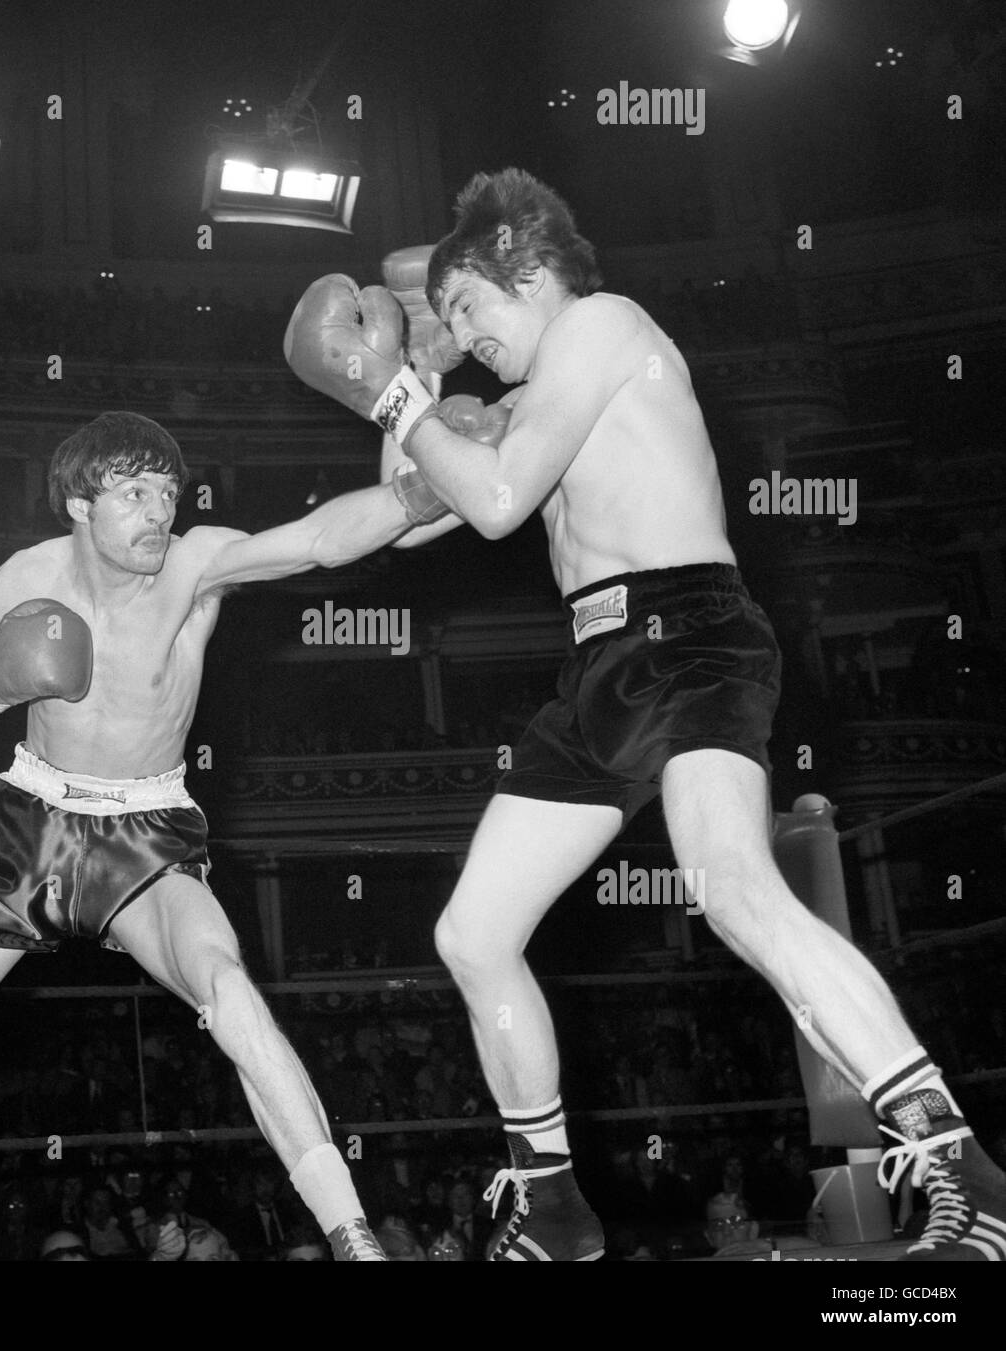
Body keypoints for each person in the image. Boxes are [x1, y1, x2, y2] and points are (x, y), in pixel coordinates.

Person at [284, 167, 1006, 1262]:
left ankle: (964, 1168)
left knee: (732, 891)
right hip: (600, 668)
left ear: (523, 270)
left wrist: (394, 390)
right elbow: (409, 514)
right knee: (471, 935)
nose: (465, 335)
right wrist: (410, 381)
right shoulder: (530, 394)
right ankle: (559, 1208)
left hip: (690, 634)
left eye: (468, 307)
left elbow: (490, 503)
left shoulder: (604, 325)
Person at [0, 408, 455, 1264]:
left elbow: (318, 540)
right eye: (135, 491)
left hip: (146, 834)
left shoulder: (195, 564)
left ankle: (354, 1237)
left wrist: (420, 487)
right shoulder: (27, 577)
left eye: (169, 492)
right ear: (79, 503)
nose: (161, 510)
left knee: (228, 988)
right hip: (28, 830)